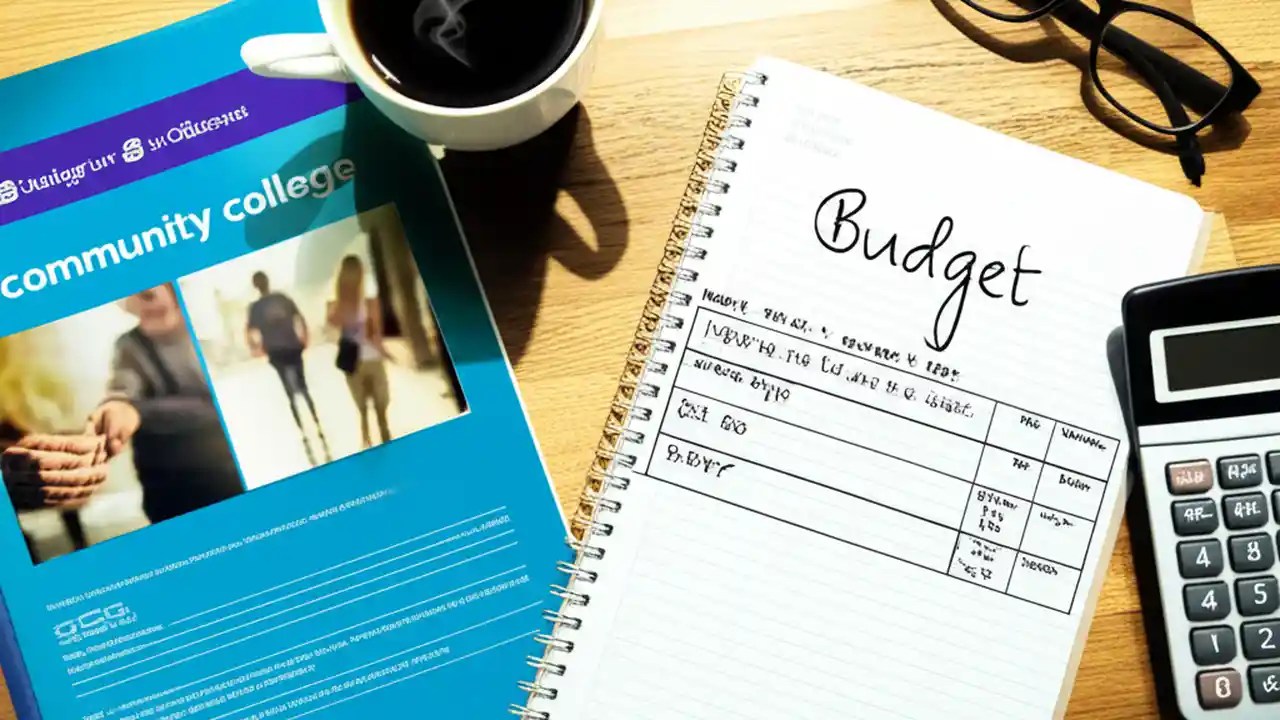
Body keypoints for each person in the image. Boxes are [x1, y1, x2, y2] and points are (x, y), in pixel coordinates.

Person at [94, 284, 244, 524]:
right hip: (166, 484)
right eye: (138, 296)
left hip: (222, 473)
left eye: (150, 294)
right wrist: (117, 410)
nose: (146, 303)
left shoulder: (206, 341)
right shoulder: (128, 346)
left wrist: (139, 410)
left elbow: (221, 402)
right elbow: (122, 390)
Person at [246, 271, 330, 465]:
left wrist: (255, 347)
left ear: (256, 286)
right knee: (303, 387)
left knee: (289, 392)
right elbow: (299, 316)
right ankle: (315, 423)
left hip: (277, 352)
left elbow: (249, 329)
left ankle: (303, 429)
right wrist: (305, 336)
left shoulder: (256, 308)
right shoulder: (281, 299)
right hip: (292, 347)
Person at [327, 255, 392, 448]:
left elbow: (332, 330)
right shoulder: (369, 302)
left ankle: (367, 440)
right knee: (380, 409)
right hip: (371, 359)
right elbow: (376, 335)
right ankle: (384, 439)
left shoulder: (336, 305)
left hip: (352, 362)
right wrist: (386, 353)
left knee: (363, 408)